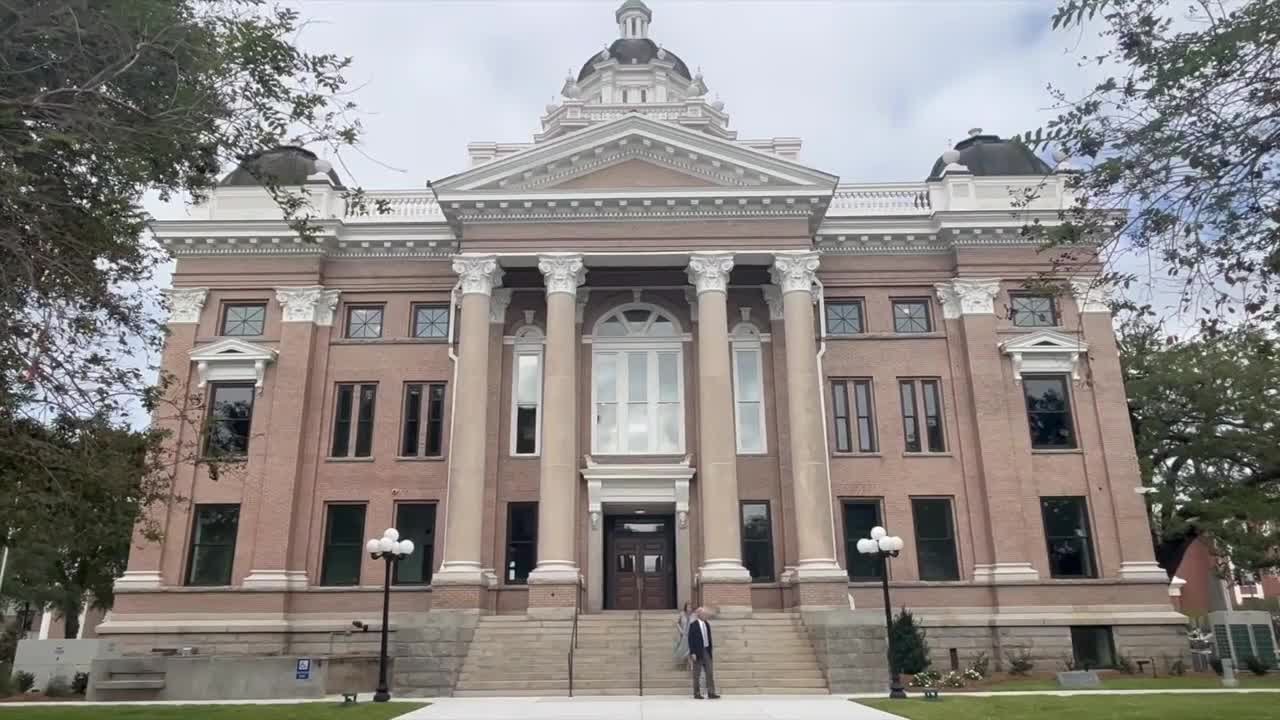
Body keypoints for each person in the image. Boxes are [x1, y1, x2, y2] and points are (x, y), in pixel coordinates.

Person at [686, 606, 719, 699]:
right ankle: (697, 693)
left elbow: (709, 638)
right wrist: (692, 652)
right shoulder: (693, 625)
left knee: (709, 672)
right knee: (697, 674)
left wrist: (710, 649)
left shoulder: (707, 624)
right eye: (704, 613)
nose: (705, 615)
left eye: (706, 613)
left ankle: (711, 692)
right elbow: (690, 640)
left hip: (707, 650)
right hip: (697, 652)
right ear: (699, 614)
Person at [673, 601, 694, 669]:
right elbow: (677, 623)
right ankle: (689, 664)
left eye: (690, 607)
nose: (689, 608)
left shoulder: (694, 615)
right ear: (685, 607)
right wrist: (681, 631)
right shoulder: (682, 614)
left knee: (689, 649)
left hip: (691, 635)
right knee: (685, 649)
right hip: (684, 635)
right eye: (688, 607)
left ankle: (690, 664)